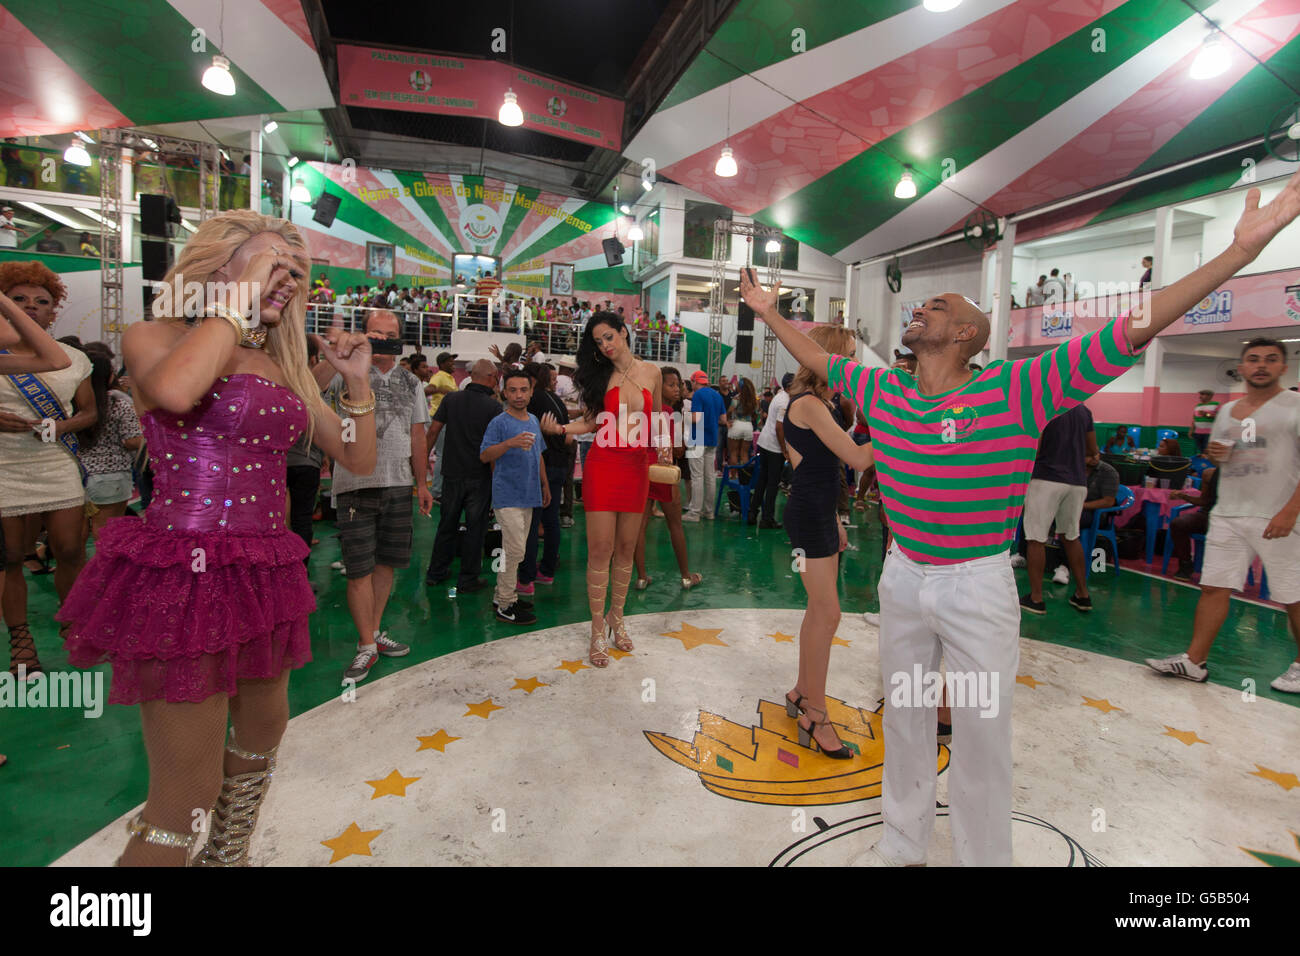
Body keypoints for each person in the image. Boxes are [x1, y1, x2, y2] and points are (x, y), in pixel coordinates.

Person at [740, 164, 1300, 865]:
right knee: (908, 719)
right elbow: (817, 353)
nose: (923, 309)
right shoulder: (885, 392)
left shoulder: (1020, 387)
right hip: (904, 578)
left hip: (975, 586)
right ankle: (901, 844)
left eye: (940, 306)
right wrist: (766, 312)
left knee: (979, 735)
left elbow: (1134, 327)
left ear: (971, 337)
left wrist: (1240, 254)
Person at [57, 210, 377, 865]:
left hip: (264, 576)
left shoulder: (279, 361)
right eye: (271, 264)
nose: (286, 280)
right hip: (186, 576)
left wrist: (358, 385)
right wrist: (234, 304)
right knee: (185, 794)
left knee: (264, 733)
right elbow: (176, 391)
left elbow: (357, 456)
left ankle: (226, 858)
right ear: (216, 266)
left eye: (296, 272)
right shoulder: (156, 336)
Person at [1147, 337, 1300, 693]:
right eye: (1254, 359)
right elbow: (1224, 457)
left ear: (1283, 367)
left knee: (1293, 594)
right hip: (1228, 513)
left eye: (1271, 359)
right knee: (1214, 587)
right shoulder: (1228, 412)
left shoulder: (1294, 406)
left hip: (1274, 515)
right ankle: (1194, 661)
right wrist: (1217, 456)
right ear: (1242, 367)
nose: (1261, 365)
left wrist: (1291, 511)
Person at [539, 311, 668, 666]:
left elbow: (657, 417)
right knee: (600, 549)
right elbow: (590, 422)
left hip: (637, 467)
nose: (605, 346)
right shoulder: (598, 377)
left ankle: (617, 618)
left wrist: (665, 449)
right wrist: (561, 430)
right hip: (603, 465)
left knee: (627, 548)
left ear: (624, 333)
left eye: (609, 337)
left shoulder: (652, 372)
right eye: (598, 341)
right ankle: (598, 630)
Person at [317, 309, 431, 685]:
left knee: (387, 565)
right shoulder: (344, 371)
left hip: (398, 483)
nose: (382, 340)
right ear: (363, 335)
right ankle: (366, 643)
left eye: (389, 334)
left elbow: (418, 436)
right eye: (374, 333)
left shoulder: (411, 382)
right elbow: (308, 388)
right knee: (359, 568)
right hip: (353, 483)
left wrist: (423, 483)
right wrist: (340, 356)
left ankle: (376, 630)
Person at [780, 325, 875, 759]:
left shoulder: (823, 403)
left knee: (818, 611)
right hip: (806, 516)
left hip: (816, 513)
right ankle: (815, 714)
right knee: (829, 614)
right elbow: (857, 458)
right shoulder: (811, 405)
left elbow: (824, 469)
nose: (853, 364)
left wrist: (835, 517)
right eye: (849, 355)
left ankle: (802, 691)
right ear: (829, 356)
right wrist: (905, 426)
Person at [0, 262, 96, 677]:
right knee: (11, 559)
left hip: (56, 460)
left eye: (42, 301)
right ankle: (21, 644)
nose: (32, 307)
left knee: (71, 548)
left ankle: (74, 624)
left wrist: (61, 425)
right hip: (4, 464)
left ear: (53, 310)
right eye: (20, 299)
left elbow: (89, 412)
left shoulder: (74, 359)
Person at [426, 359, 502, 591]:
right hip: (479, 477)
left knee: (447, 524)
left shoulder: (451, 399)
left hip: (452, 473)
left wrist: (420, 462)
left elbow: (433, 430)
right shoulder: (493, 408)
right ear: (491, 378)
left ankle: (436, 571)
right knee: (475, 528)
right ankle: (468, 578)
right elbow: (494, 450)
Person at [480, 368, 547, 624]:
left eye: (523, 390)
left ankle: (503, 596)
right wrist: (509, 443)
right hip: (507, 495)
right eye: (513, 390)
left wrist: (545, 485)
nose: (518, 395)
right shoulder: (499, 422)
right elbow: (485, 455)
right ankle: (505, 604)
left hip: (529, 495)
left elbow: (538, 454)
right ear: (504, 392)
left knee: (517, 551)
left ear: (531, 392)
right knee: (514, 550)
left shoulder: (533, 420)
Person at [1019, 404, 1097, 615]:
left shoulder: (1046, 406)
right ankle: (1082, 594)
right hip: (1077, 482)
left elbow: (1035, 445)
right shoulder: (1083, 411)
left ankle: (1035, 598)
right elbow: (1093, 452)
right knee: (1071, 537)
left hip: (1046, 479)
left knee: (1036, 539)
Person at [633, 366, 701, 590]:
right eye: (671, 385)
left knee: (640, 527)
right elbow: (666, 448)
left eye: (678, 385)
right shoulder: (667, 412)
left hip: (643, 469)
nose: (677, 389)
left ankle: (641, 577)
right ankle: (685, 576)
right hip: (662, 470)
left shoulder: (644, 409)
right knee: (675, 525)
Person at [78, 354, 145, 541]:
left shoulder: (76, 404)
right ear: (109, 375)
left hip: (79, 473)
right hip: (112, 476)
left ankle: (82, 569)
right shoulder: (119, 404)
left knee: (81, 532)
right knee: (107, 531)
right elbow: (130, 440)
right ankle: (104, 568)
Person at [519, 362, 570, 593]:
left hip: (543, 465)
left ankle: (526, 576)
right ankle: (547, 570)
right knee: (550, 521)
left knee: (531, 521)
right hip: (560, 464)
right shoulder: (556, 400)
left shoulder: (534, 400)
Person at [752, 373, 793, 530]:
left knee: (762, 480)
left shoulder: (779, 395)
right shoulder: (784, 401)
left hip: (764, 443)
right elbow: (779, 427)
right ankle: (767, 518)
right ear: (790, 386)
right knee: (772, 484)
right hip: (774, 447)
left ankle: (752, 513)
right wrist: (784, 450)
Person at [683, 371, 725, 522]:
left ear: (695, 381)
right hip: (712, 438)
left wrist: (685, 415)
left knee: (696, 477)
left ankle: (694, 512)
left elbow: (695, 418)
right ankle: (709, 512)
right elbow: (723, 419)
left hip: (697, 437)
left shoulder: (698, 395)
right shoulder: (717, 395)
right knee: (709, 477)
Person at [1167, 467, 1218, 580]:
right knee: (1178, 523)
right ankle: (1186, 565)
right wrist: (1182, 495)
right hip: (1207, 515)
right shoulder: (1209, 474)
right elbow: (1203, 501)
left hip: (1229, 519)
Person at [726, 377, 759, 467]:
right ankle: (743, 477)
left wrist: (728, 420)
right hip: (748, 426)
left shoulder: (737, 398)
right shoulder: (754, 400)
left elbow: (729, 411)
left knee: (733, 453)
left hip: (736, 425)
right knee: (744, 454)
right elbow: (755, 415)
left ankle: (733, 476)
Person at [1191, 389, 1219, 453]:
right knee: (1201, 451)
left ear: (1210, 396)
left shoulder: (1216, 404)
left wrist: (1206, 414)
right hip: (1197, 433)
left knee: (1207, 451)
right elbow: (1194, 419)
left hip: (1209, 433)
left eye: (1203, 394)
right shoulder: (1198, 406)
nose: (1200, 396)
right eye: (1201, 394)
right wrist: (1191, 430)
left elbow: (1219, 417)